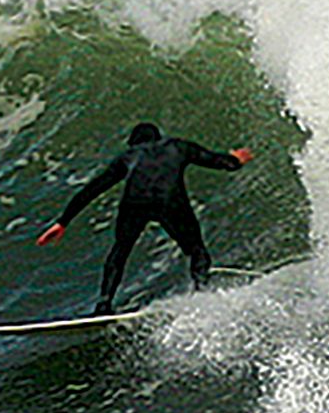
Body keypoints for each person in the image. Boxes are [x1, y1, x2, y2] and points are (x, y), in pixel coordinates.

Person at [39, 120, 252, 313]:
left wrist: (63, 222)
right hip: (170, 201)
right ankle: (202, 296)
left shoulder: (127, 157)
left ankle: (103, 304)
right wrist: (235, 160)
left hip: (135, 203)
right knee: (197, 251)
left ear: (133, 143)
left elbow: (94, 188)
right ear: (158, 138)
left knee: (120, 252)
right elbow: (215, 160)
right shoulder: (177, 146)